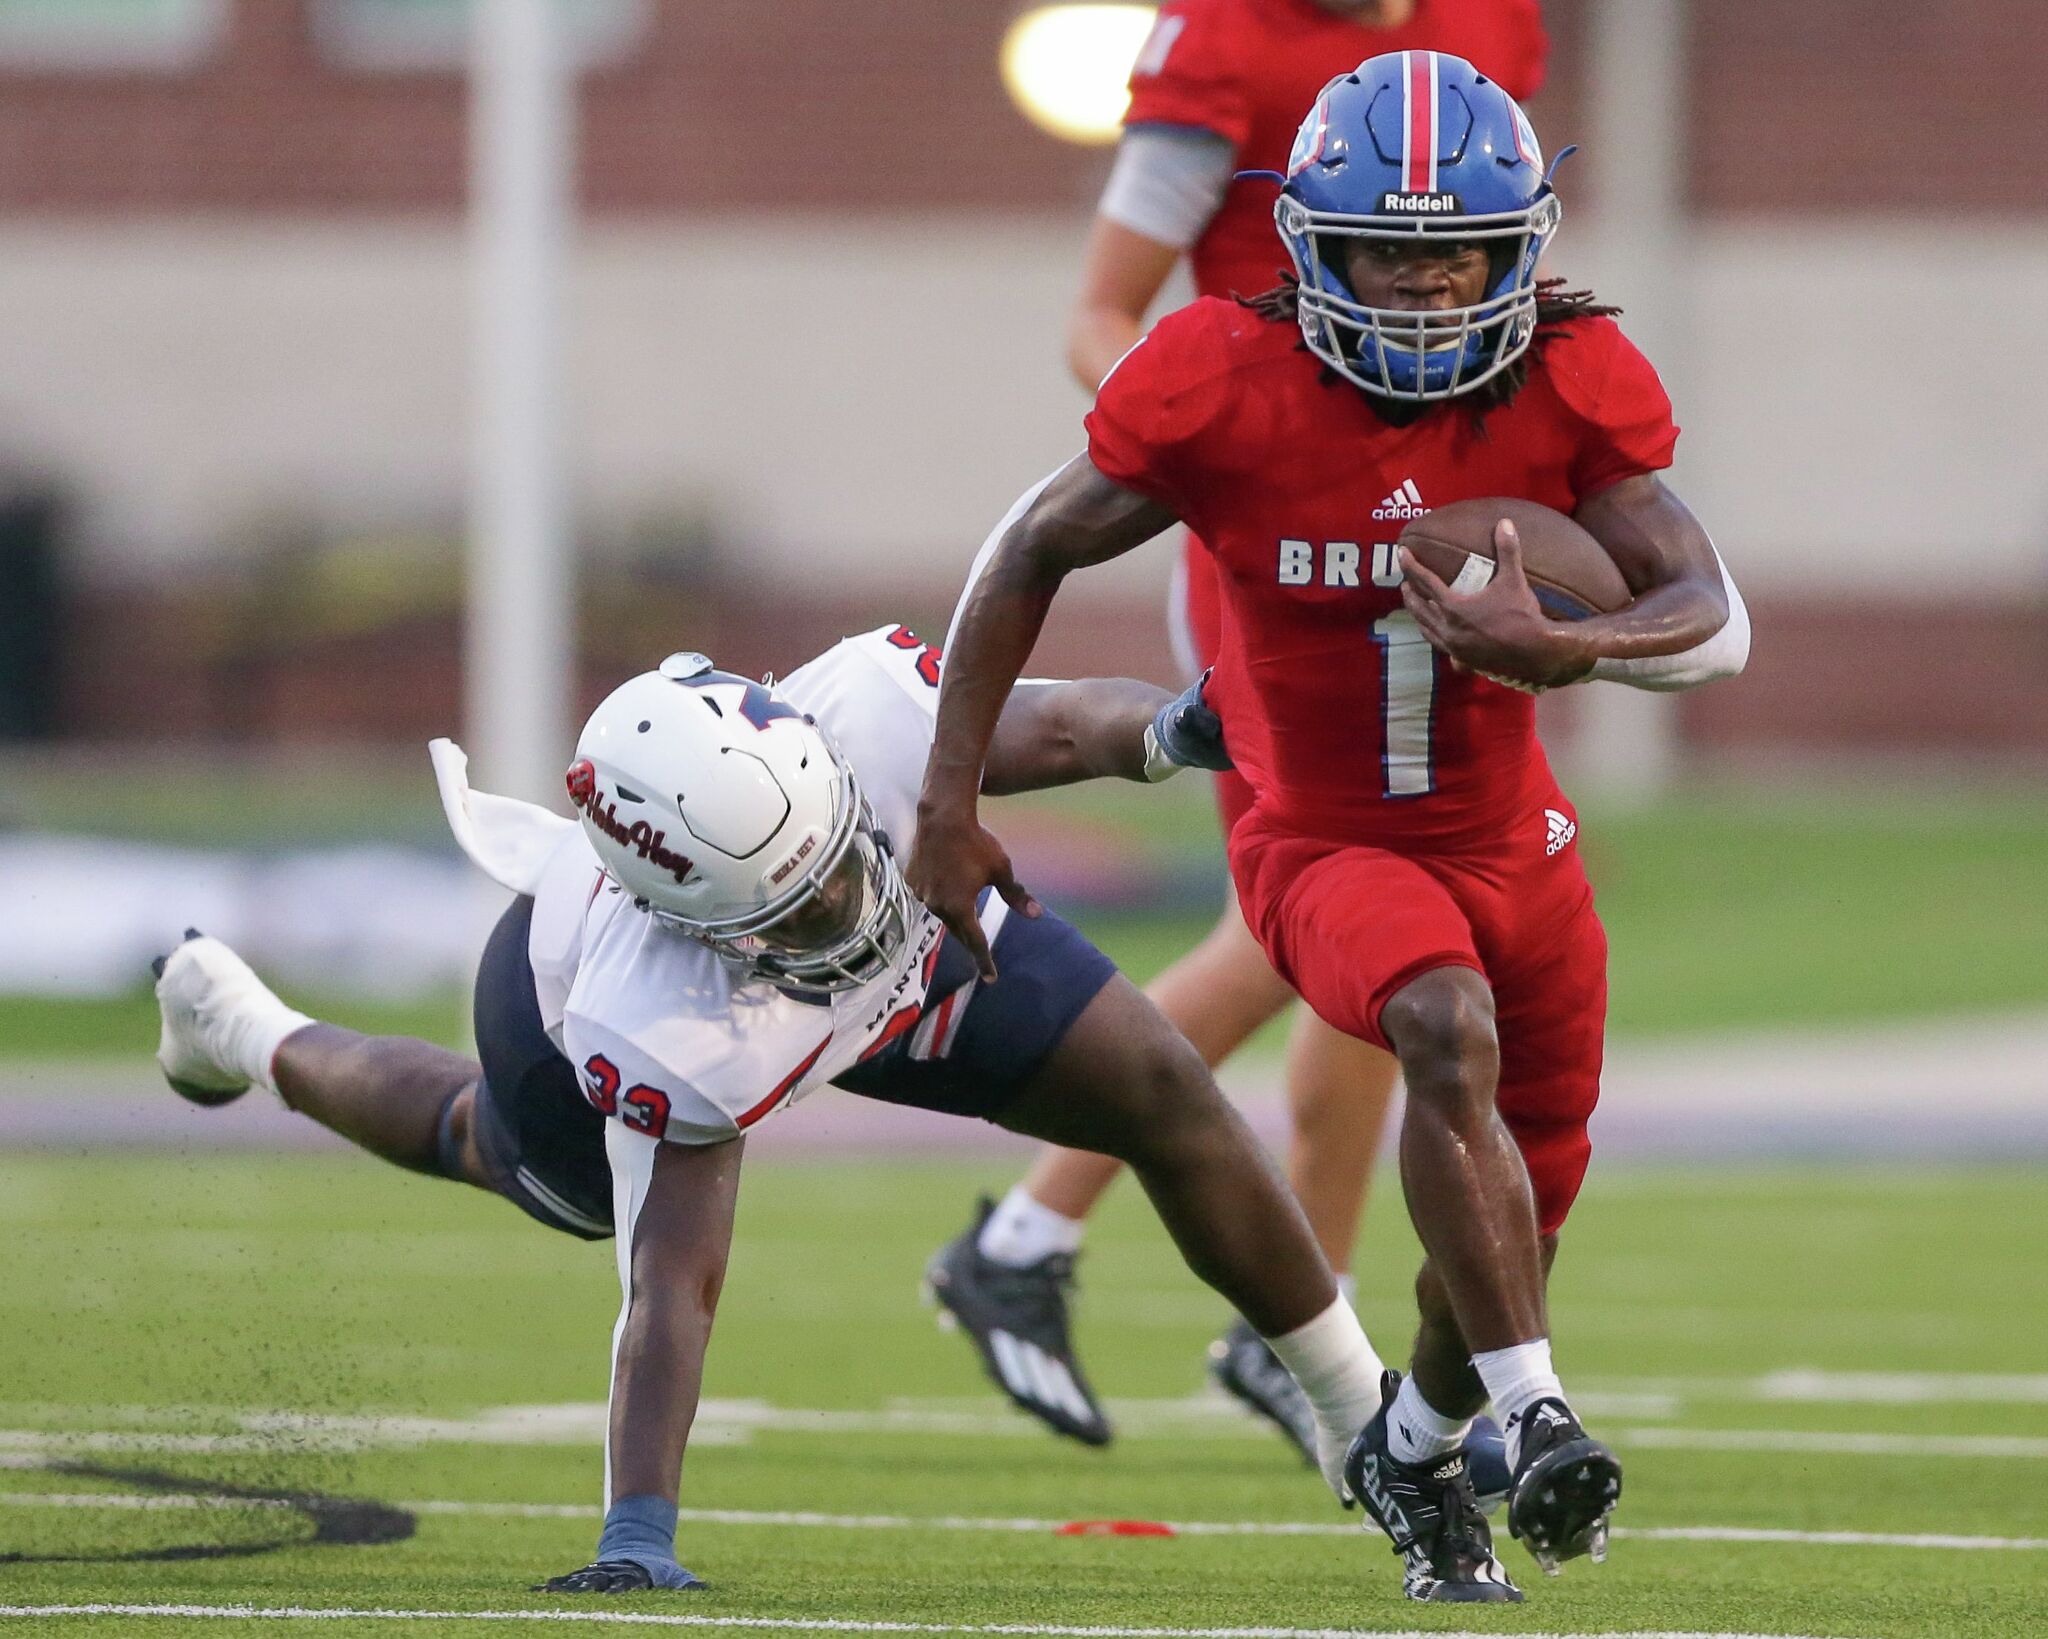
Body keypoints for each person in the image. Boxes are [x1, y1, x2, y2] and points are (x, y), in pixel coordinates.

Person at [907, 54, 1750, 1602]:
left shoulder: (1569, 373)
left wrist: (1580, 649)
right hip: (1322, 838)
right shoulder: (1221, 374)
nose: (1428, 294)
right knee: (1439, 1026)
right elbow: (1024, 552)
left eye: (1459, 258)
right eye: (1388, 254)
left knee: (1523, 1191)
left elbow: (1710, 610)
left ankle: (1417, 1444)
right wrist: (947, 800)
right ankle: (1536, 1416)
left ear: (1521, 251)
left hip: (1520, 844)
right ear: (1309, 246)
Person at [153, 627, 1486, 1598]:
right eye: (794, 907)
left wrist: (1180, 726)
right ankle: (249, 1031)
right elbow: (671, 1286)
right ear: (686, 913)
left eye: (832, 868)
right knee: (492, 1150)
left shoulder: (871, 726)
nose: (838, 915)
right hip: (572, 1014)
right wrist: (639, 1530)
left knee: (1160, 1088)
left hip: (921, 960)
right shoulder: (654, 1014)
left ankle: (1354, 1412)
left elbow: (1071, 721)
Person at [932, 0, 1548, 1463]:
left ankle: (1258, 1292)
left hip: (1435, 525)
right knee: (1323, 908)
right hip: (1284, 547)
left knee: (1402, 925)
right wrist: (1250, 456)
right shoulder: (1219, 40)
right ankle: (1039, 1235)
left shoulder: (1488, 29)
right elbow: (1101, 313)